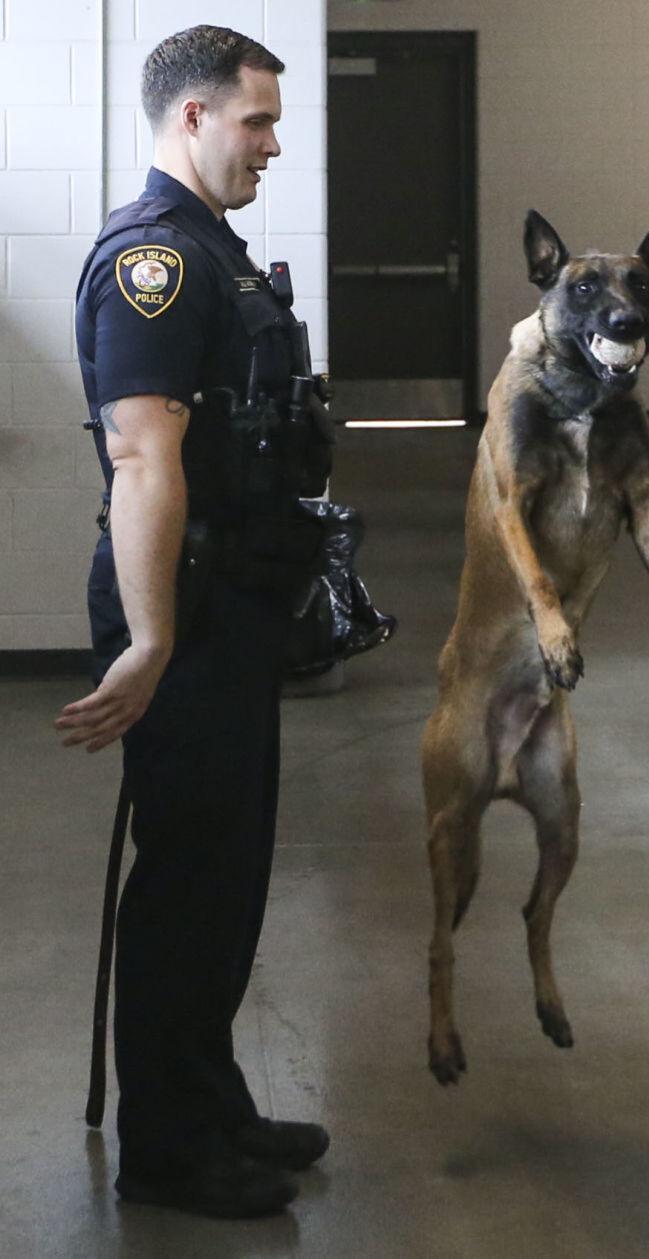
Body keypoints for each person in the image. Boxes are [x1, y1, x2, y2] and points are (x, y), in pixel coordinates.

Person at [58, 25, 332, 1220]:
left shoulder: (215, 254)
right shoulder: (153, 263)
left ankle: (211, 1099)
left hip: (229, 608)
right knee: (186, 884)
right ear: (191, 119)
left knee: (226, 879)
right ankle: (167, 1150)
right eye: (256, 120)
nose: (273, 143)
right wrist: (153, 638)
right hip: (183, 610)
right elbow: (141, 453)